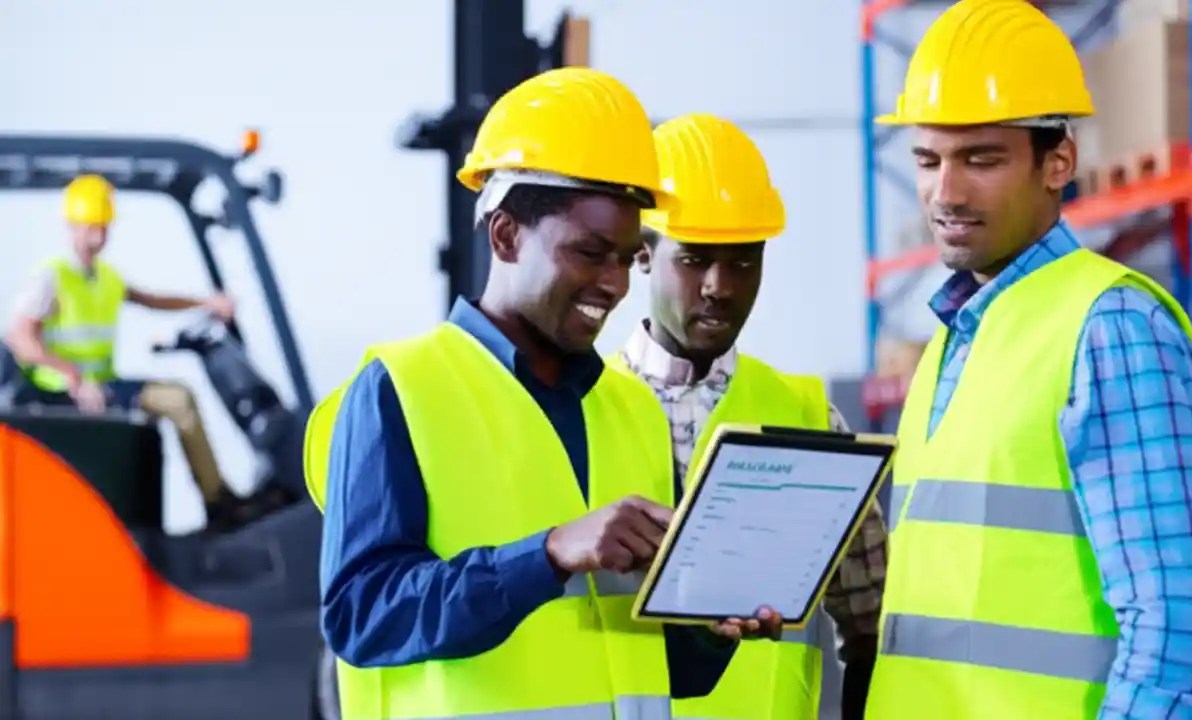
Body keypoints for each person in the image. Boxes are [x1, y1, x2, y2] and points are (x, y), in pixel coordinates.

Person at [301, 67, 782, 720]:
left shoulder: (630, 407)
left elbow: (648, 665)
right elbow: (363, 616)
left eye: (625, 256)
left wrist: (708, 627)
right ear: (505, 236)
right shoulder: (400, 390)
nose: (614, 283)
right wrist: (549, 553)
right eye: (588, 253)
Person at [862, 1, 1192, 718]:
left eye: (981, 160)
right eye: (928, 159)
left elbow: (1179, 632)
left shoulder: (1112, 326)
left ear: (1057, 161)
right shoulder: (952, 339)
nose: (946, 192)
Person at [610, 113, 888, 720]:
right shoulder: (580, 415)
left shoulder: (811, 422)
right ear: (642, 256)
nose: (720, 286)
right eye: (694, 260)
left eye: (742, 262)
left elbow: (871, 629)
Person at [4, 173, 259, 532]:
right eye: (92, 226)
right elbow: (20, 338)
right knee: (174, 403)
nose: (99, 235)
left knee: (177, 399)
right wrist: (70, 375)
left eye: (104, 226)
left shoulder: (107, 279)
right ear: (73, 225)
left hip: (101, 385)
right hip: (58, 394)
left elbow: (152, 300)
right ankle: (218, 503)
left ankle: (218, 502)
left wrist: (205, 302)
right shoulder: (51, 278)